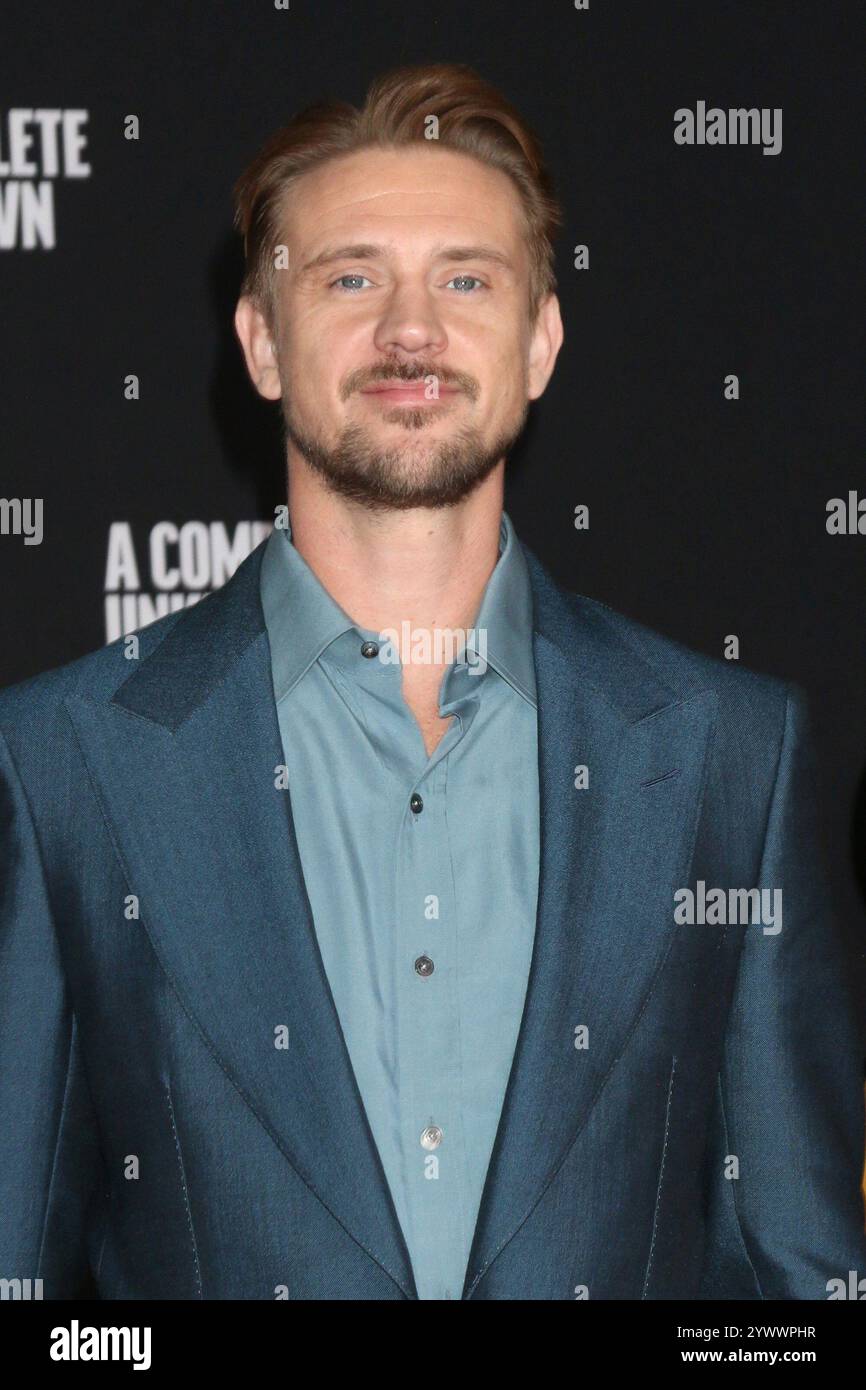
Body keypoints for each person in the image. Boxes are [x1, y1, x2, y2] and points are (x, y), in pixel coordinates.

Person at [1, 62, 864, 1301]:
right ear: (259, 341)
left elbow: (799, 1280)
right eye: (350, 278)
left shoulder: (729, 751)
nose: (410, 330)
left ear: (539, 342)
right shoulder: (63, 760)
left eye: (465, 279)